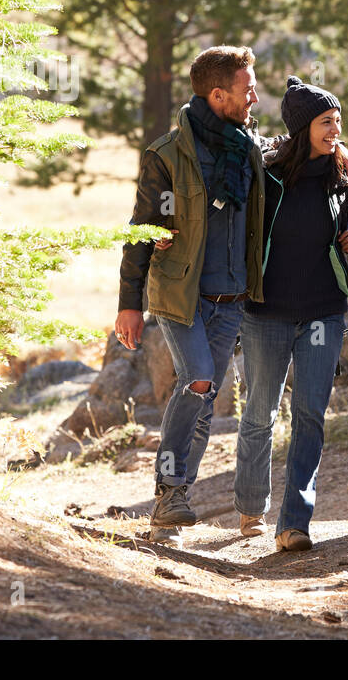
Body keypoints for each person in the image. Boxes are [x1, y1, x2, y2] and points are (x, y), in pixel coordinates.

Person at [115, 45, 268, 542]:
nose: (255, 97)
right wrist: (129, 303)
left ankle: (170, 504)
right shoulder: (166, 155)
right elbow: (142, 228)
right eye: (247, 89)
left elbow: (292, 150)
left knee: (202, 398)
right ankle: (171, 490)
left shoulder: (248, 146)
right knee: (199, 379)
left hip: (232, 297)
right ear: (219, 94)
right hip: (181, 295)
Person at [233, 76, 348, 553]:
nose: (336, 130)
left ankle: (294, 522)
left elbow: (346, 219)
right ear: (304, 126)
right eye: (327, 122)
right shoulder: (266, 176)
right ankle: (250, 508)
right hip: (267, 311)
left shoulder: (342, 173)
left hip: (324, 311)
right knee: (260, 412)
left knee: (310, 413)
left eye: (338, 121)